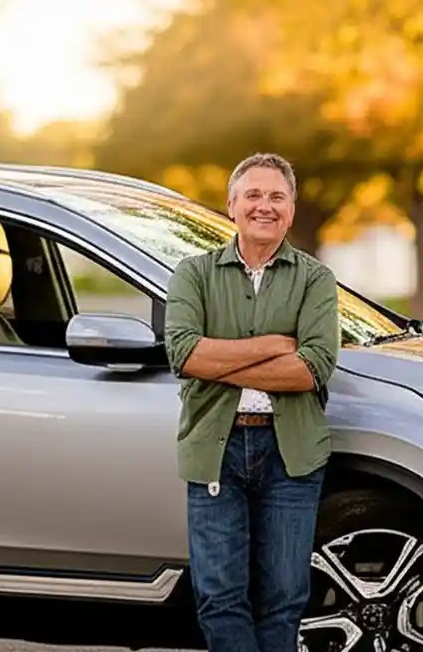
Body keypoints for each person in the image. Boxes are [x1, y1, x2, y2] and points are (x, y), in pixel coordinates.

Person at [164, 152, 340, 652]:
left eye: (277, 196)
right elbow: (183, 353)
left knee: (284, 597)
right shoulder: (193, 274)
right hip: (215, 449)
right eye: (254, 195)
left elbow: (312, 368)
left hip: (292, 454)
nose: (265, 206)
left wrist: (221, 358)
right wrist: (274, 344)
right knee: (219, 596)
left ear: (292, 207)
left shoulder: (315, 279)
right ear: (232, 205)